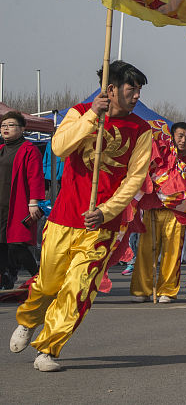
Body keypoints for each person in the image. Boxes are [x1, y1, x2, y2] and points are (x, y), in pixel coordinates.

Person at [10, 61, 153, 372]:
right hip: (64, 218)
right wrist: (92, 116)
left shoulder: (142, 130)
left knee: (79, 288)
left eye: (140, 90)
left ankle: (48, 348)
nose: (137, 96)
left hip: (103, 225)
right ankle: (29, 319)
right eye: (132, 89)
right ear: (111, 90)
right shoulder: (80, 112)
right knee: (48, 284)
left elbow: (135, 178)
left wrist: (106, 212)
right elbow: (60, 148)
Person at [131, 121, 186, 303]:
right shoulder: (160, 155)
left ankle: (167, 290)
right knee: (146, 250)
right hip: (153, 209)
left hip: (177, 213)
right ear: (172, 137)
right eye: (180, 136)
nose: (184, 140)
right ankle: (142, 290)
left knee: (172, 252)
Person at [0, 111, 45, 290]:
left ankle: (39, 278)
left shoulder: (29, 150)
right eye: (3, 125)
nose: (6, 128)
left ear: (22, 129)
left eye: (11, 125)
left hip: (19, 205)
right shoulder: (1, 150)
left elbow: (36, 177)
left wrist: (34, 202)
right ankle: (6, 279)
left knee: (18, 245)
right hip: (1, 206)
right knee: (2, 245)